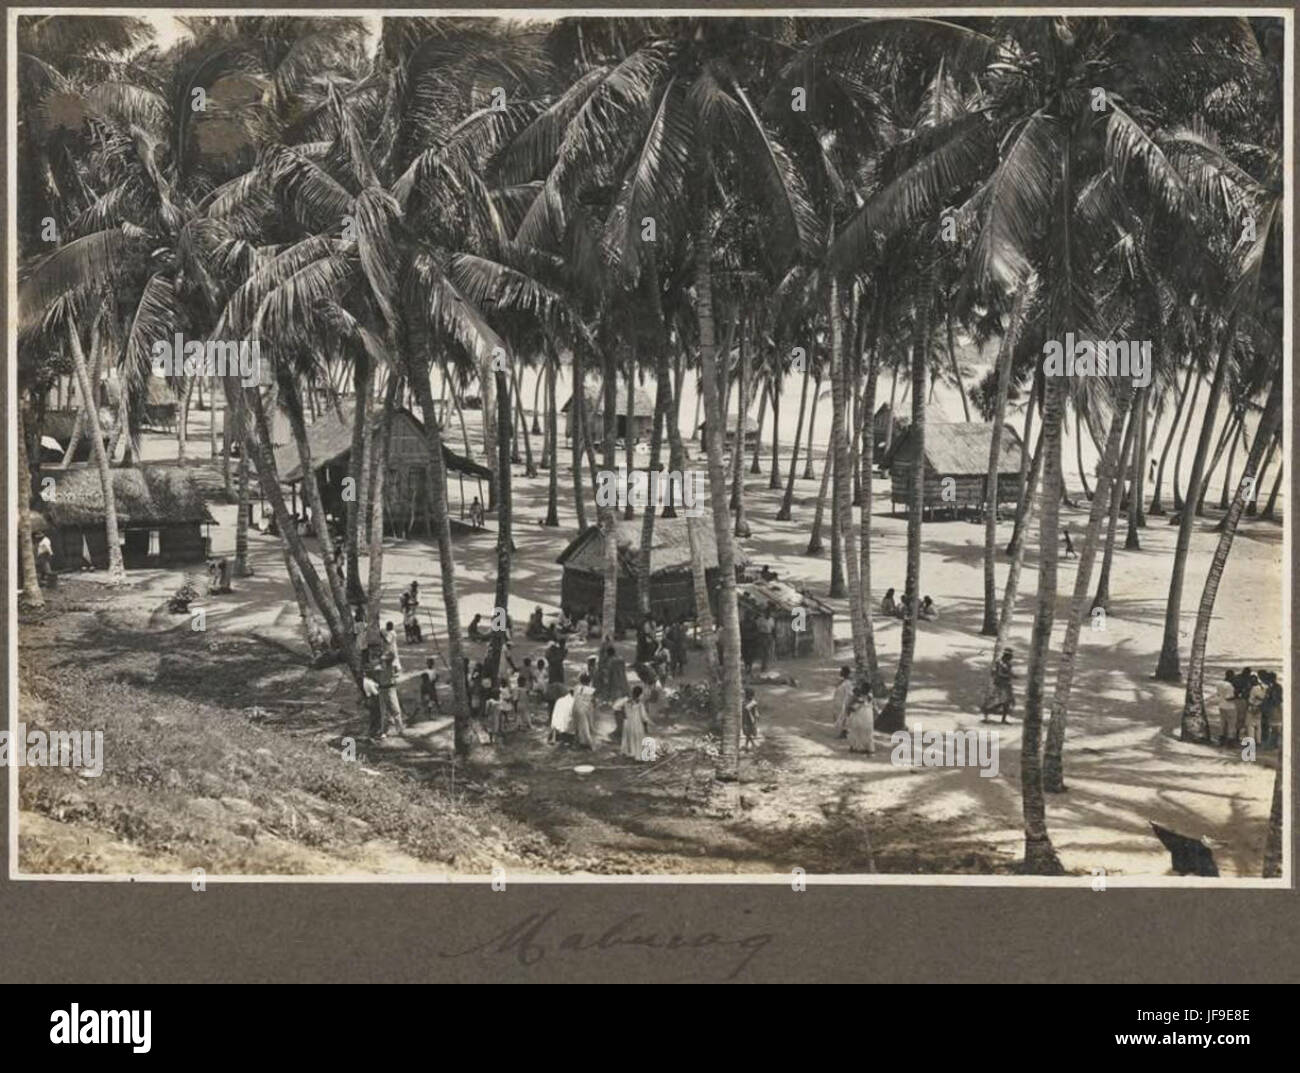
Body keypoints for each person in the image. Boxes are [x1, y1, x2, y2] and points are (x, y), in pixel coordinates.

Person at [982, 649, 1016, 723]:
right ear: (1006, 656)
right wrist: (1009, 676)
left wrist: (1011, 675)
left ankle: (1003, 719)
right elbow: (999, 674)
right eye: (1010, 656)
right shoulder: (1000, 663)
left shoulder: (1008, 664)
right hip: (1000, 684)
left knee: (1007, 702)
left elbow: (1009, 672)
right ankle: (986, 716)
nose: (1011, 657)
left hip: (1007, 684)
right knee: (997, 701)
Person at [619, 685, 651, 761]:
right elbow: (643, 717)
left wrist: (625, 715)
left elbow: (618, 708)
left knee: (630, 738)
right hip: (637, 723)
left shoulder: (626, 701)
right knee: (638, 738)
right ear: (640, 694)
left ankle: (631, 753)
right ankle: (638, 756)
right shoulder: (640, 704)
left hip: (628, 722)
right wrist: (646, 726)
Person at [377, 654, 404, 737]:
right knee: (384, 712)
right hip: (383, 690)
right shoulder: (379, 669)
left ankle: (399, 730)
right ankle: (384, 731)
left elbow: (397, 670)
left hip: (390, 689)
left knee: (395, 710)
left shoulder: (391, 668)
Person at [846, 682, 876, 754]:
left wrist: (850, 708)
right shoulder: (869, 697)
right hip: (866, 716)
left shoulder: (864, 697)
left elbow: (855, 705)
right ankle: (861, 747)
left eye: (863, 688)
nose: (862, 689)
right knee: (861, 731)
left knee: (860, 731)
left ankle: (858, 747)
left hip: (863, 716)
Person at [572, 672, 597, 749]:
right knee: (587, 725)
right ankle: (589, 743)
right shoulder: (592, 690)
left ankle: (577, 741)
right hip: (585, 709)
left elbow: (574, 697)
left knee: (577, 725)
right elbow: (594, 701)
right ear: (589, 681)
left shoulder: (576, 688)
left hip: (576, 708)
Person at [1216, 670, 1238, 745]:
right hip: (1230, 707)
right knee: (1231, 724)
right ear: (1231, 676)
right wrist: (1237, 696)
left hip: (1221, 705)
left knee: (1222, 722)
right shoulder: (1229, 686)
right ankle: (1230, 740)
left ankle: (1221, 738)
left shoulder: (1219, 684)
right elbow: (1229, 698)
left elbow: (1218, 694)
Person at [831, 666, 853, 738]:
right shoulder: (842, 681)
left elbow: (849, 694)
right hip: (838, 701)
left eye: (842, 671)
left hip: (843, 702)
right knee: (838, 716)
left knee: (842, 717)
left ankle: (843, 732)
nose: (840, 672)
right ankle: (843, 732)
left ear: (845, 673)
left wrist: (846, 704)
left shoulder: (848, 683)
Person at [1245, 672, 1266, 746]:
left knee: (1250, 725)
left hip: (1252, 707)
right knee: (1258, 725)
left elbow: (1250, 700)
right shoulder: (1263, 687)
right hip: (1260, 707)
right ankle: (1259, 741)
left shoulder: (1253, 688)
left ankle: (1251, 741)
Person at [362, 669, 383, 740]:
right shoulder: (369, 683)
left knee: (373, 716)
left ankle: (372, 732)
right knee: (376, 716)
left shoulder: (366, 680)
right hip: (373, 700)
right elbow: (376, 693)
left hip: (370, 699)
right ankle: (374, 733)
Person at [756, 606, 777, 672]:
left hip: (769, 635)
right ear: (765, 613)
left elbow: (773, 629)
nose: (768, 614)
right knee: (763, 651)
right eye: (767, 612)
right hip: (762, 635)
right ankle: (763, 665)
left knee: (768, 652)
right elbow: (757, 628)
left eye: (769, 613)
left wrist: (774, 637)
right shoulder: (760, 619)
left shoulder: (771, 619)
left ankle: (765, 666)